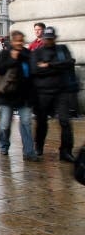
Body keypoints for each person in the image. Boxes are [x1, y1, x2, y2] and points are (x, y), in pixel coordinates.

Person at [31, 26, 76, 162]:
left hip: (61, 92)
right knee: (42, 122)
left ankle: (66, 151)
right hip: (43, 93)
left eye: (51, 39)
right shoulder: (37, 52)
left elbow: (70, 63)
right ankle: (39, 146)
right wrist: (57, 66)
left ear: (54, 38)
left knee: (65, 121)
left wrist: (49, 65)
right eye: (46, 38)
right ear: (43, 38)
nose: (48, 41)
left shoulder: (62, 49)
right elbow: (35, 71)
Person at [0, 30, 40, 161]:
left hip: (25, 95)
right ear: (12, 41)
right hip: (7, 95)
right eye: (17, 41)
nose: (20, 43)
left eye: (21, 40)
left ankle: (29, 152)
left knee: (26, 122)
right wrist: (12, 59)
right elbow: (0, 70)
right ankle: (4, 145)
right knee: (5, 124)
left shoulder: (28, 54)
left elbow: (33, 73)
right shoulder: (5, 53)